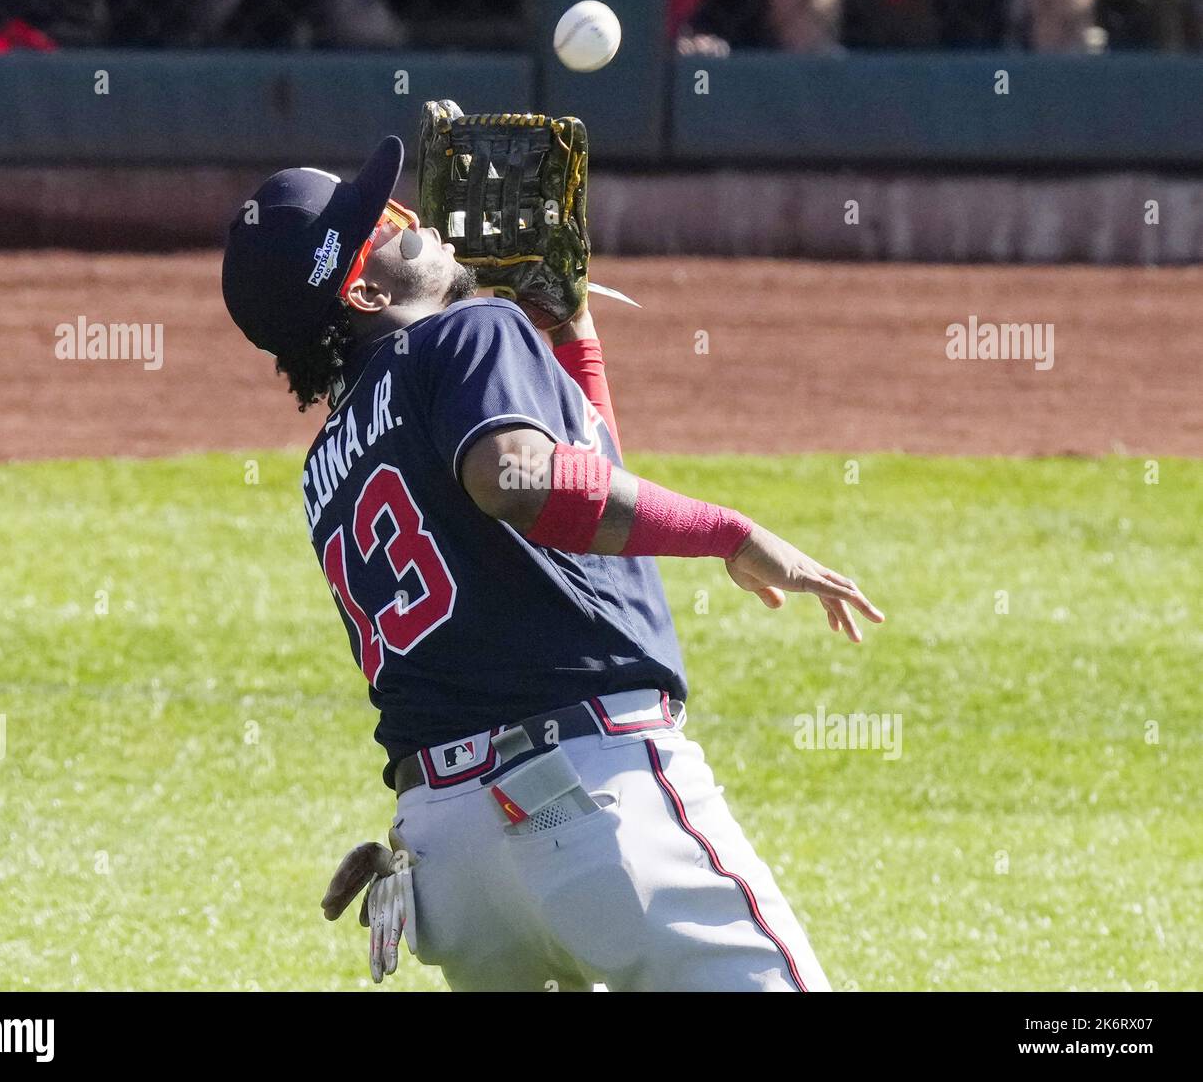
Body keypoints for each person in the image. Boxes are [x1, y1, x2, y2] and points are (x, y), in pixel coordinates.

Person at [220, 137, 884, 991]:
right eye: (386, 222)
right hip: (590, 802)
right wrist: (729, 532)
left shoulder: (328, 466)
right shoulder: (468, 333)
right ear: (365, 289)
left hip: (449, 859)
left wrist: (572, 336)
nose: (416, 218)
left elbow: (575, 502)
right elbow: (523, 483)